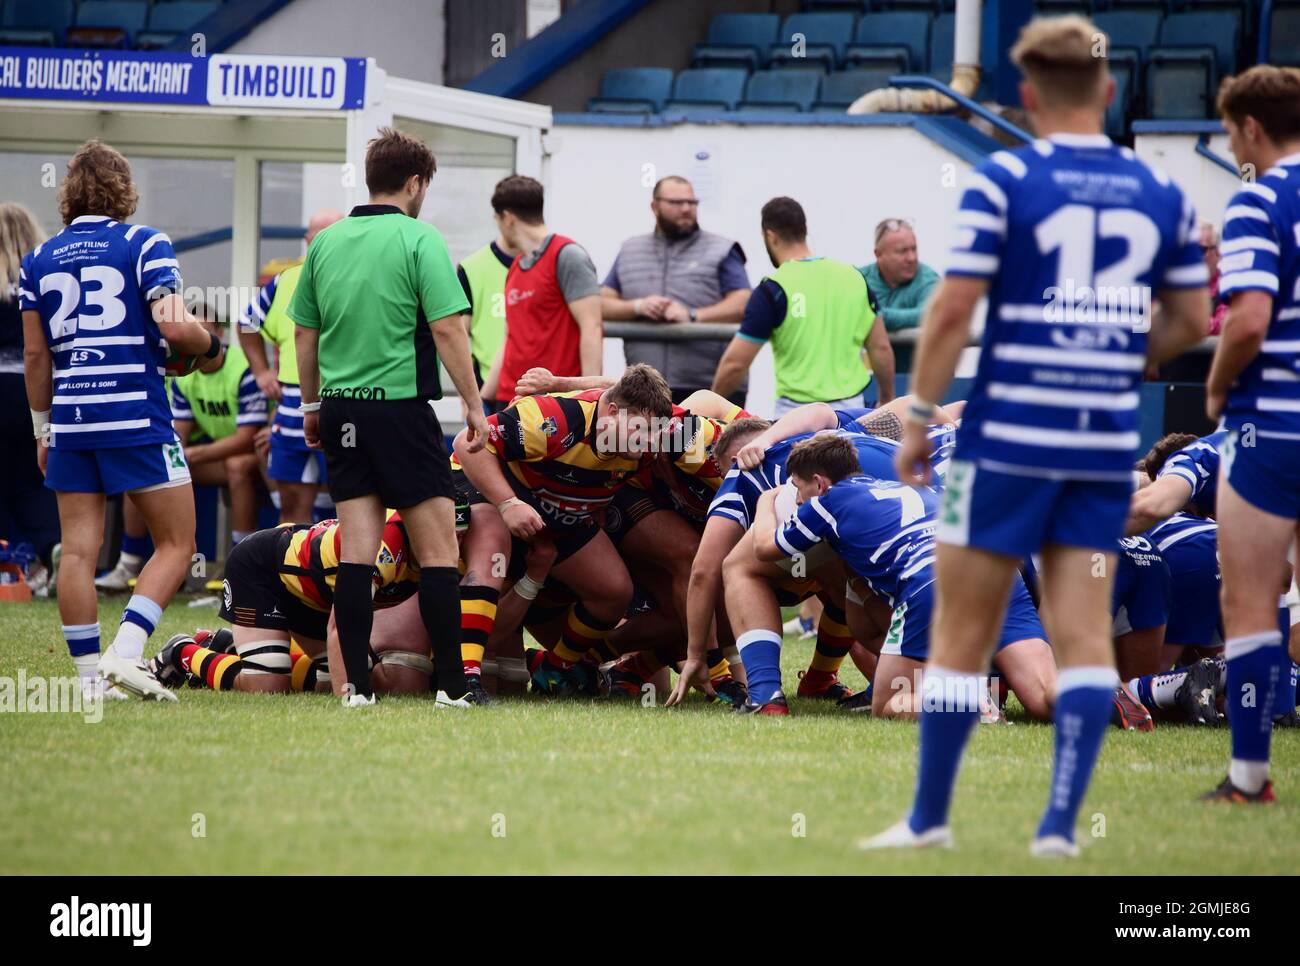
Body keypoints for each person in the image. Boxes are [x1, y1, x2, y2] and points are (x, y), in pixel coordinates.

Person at [866, 15, 1208, 855]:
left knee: (962, 629)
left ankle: (930, 819)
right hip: (1099, 446)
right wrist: (1114, 356)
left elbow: (952, 310)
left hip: (1008, 436)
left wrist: (916, 415)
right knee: (1085, 634)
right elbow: (1194, 318)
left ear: (1025, 95)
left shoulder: (1005, 179)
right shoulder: (1163, 193)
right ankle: (1058, 824)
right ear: (1109, 89)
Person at [289, 126, 488, 707]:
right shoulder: (420, 238)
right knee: (438, 557)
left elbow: (306, 333)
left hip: (343, 411)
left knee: (357, 553)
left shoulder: (325, 242)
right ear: (414, 182)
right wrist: (473, 405)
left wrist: (311, 405)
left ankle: (354, 691)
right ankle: (452, 689)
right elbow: (448, 327)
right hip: (401, 412)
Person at [21, 139, 224, 701]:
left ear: (68, 194)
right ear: (124, 190)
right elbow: (175, 326)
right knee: (178, 543)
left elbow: (36, 357)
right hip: (135, 413)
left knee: (79, 552)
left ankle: (90, 681)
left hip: (72, 420)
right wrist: (212, 349)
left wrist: (43, 428)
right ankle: (127, 652)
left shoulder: (38, 258)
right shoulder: (143, 242)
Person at [1201, 64, 1300, 803]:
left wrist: (1215, 385)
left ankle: (1249, 776)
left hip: (1272, 424)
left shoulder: (1256, 201)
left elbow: (1251, 318)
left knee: (1252, 602)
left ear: (1252, 129)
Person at [711, 196, 895, 414]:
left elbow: (735, 364)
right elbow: (880, 347)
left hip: (795, 416)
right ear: (804, 231)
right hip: (851, 413)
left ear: (770, 236)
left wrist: (709, 407)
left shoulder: (773, 289)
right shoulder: (854, 277)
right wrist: (886, 399)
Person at [601, 176, 751, 403]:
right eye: (676, 203)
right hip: (643, 390)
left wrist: (692, 316)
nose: (686, 209)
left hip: (708, 390)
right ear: (655, 206)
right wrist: (639, 307)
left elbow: (743, 302)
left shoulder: (722, 249)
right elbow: (601, 303)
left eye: (692, 203)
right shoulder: (630, 250)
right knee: (642, 441)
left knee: (699, 441)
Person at [238, 208, 343, 525]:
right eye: (317, 237)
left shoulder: (356, 278)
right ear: (307, 240)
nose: (323, 244)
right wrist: (261, 371)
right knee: (291, 507)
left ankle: (333, 572)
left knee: (344, 505)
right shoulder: (286, 280)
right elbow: (246, 323)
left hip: (341, 401)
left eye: (332, 237)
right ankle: (290, 573)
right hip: (293, 405)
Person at [479, 176, 603, 407]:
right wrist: (483, 398)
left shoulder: (567, 255)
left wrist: (590, 400)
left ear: (507, 219)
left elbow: (592, 328)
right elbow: (509, 338)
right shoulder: (516, 266)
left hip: (553, 404)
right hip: (510, 400)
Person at [169, 309, 268, 547]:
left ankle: (241, 555)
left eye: (203, 331)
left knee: (237, 466)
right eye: (191, 332)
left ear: (219, 333)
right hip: (218, 453)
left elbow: (246, 438)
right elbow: (179, 433)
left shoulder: (242, 368)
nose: (196, 339)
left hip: (262, 452)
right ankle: (175, 555)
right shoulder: (183, 375)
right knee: (167, 471)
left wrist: (193, 454)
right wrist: (177, 456)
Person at [0, 202, 58, 591]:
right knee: (34, 485)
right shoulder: (44, 280)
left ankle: (12, 561)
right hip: (34, 390)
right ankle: (54, 550)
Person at [456, 224, 516, 414]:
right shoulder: (472, 267)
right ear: (502, 217)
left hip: (538, 394)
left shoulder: (552, 263)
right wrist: (467, 397)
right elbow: (458, 337)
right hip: (486, 396)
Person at [858, 219, 940, 333]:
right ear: (878, 254)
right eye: (902, 251)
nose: (912, 258)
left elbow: (930, 314)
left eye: (914, 249)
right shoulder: (858, 279)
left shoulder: (928, 280)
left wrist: (873, 315)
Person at [1199, 220, 1228, 335]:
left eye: (1201, 250)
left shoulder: (1227, 285)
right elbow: (1141, 323)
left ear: (1218, 252)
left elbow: (1224, 324)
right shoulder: (1171, 284)